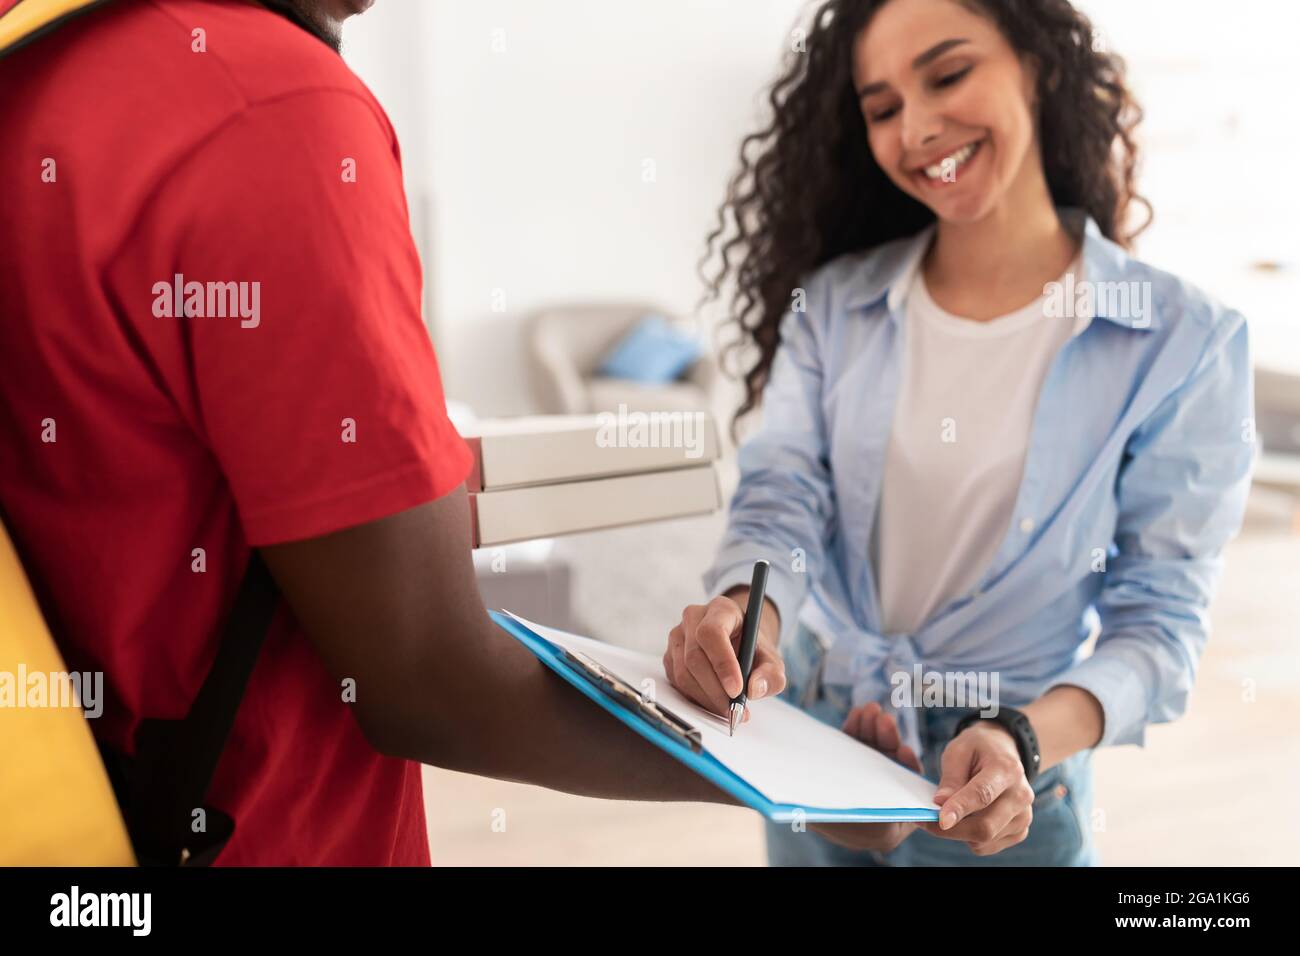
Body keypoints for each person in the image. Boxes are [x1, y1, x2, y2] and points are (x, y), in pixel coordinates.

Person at [0, 0, 914, 865]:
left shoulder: (37, 60)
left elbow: (131, 480)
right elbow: (424, 678)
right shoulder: (274, 108)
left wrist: (403, 486)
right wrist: (812, 781)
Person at [663, 0, 1254, 865]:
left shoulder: (1179, 343)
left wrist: (1017, 736)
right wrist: (746, 618)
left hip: (1005, 782)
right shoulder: (834, 308)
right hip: (813, 742)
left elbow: (1157, 627)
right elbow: (781, 496)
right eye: (882, 107)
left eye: (947, 75)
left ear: (1037, 65)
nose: (918, 128)